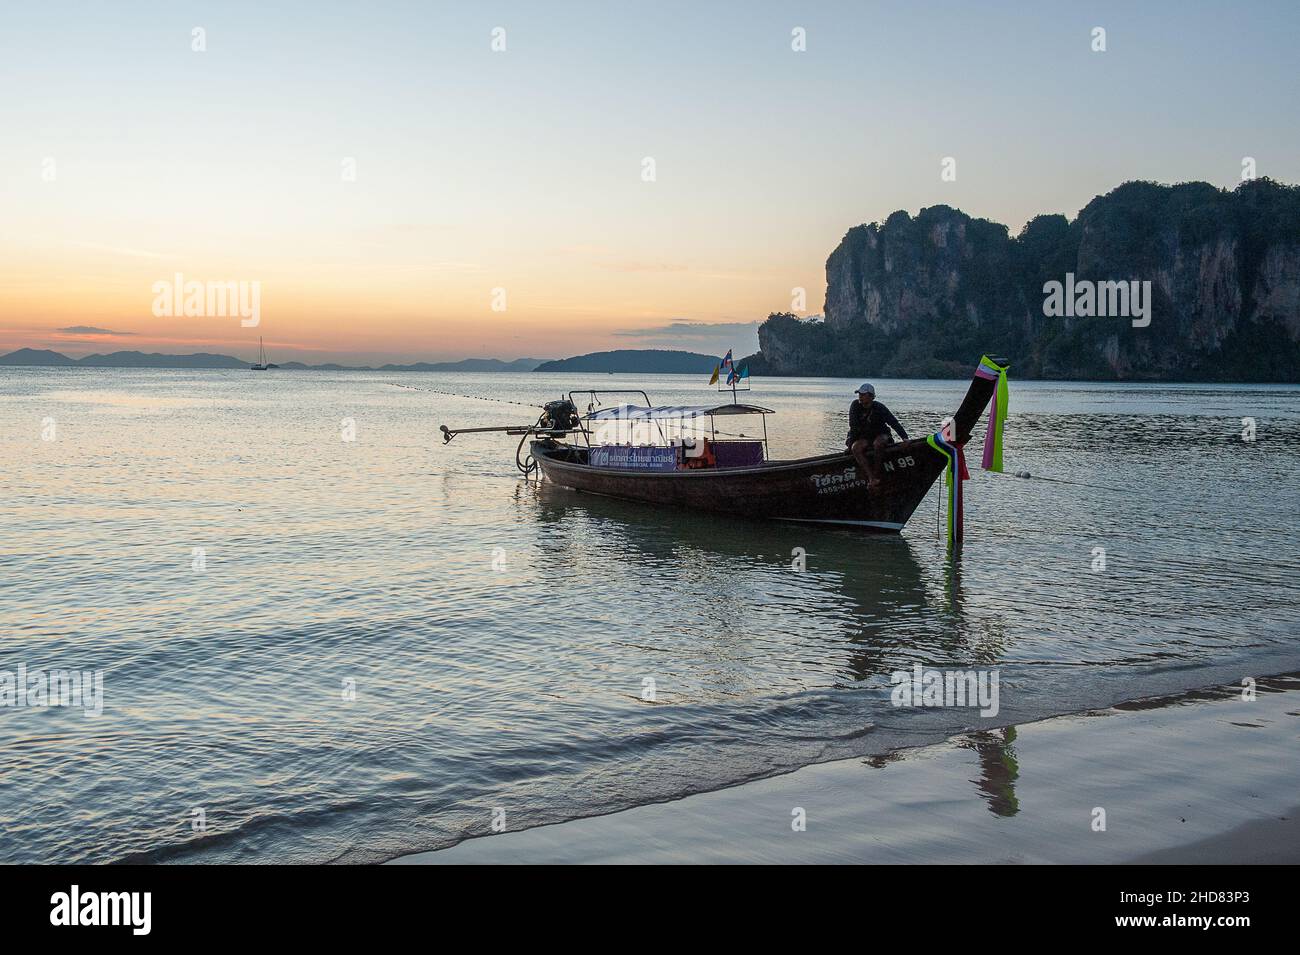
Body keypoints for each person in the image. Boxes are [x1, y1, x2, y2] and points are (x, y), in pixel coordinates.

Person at [846, 382, 908, 489]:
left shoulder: (879, 407)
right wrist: (850, 446)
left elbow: (893, 422)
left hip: (881, 434)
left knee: (878, 444)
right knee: (856, 448)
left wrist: (905, 438)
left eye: (863, 394)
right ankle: (872, 478)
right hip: (864, 437)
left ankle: (877, 473)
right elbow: (853, 427)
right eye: (859, 394)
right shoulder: (855, 406)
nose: (860, 397)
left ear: (871, 396)